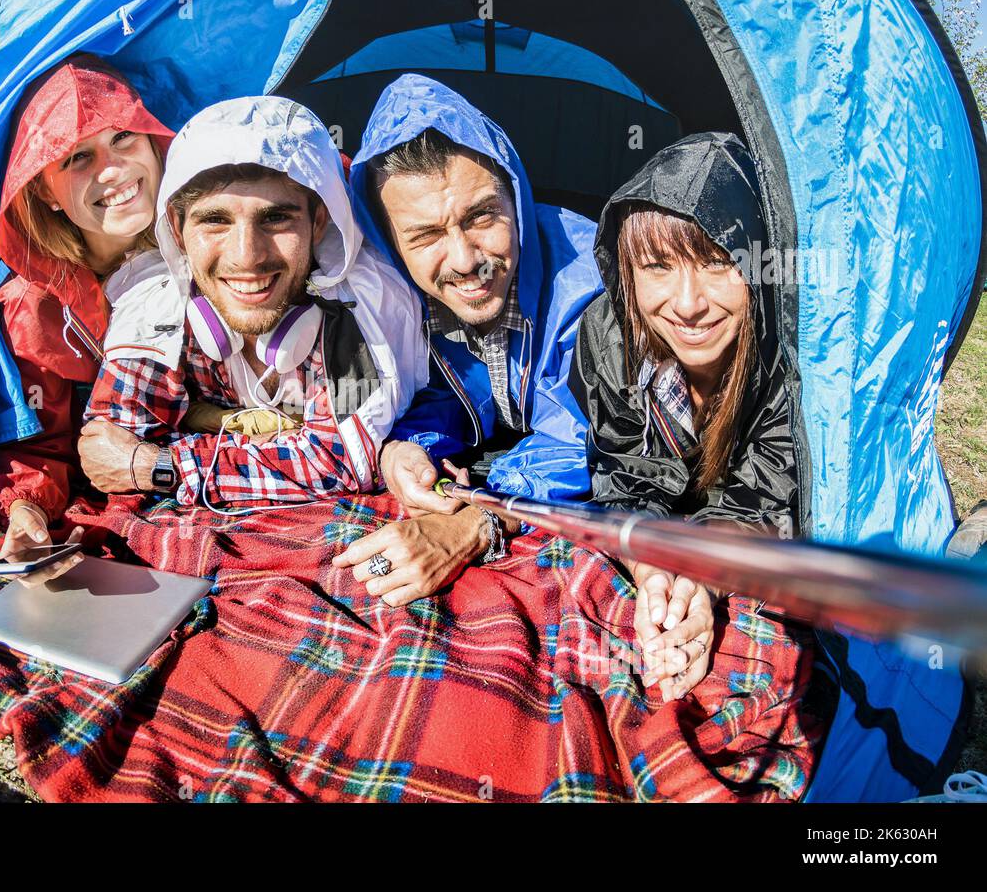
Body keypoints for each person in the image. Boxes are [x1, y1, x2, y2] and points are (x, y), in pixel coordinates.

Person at [76, 96, 428, 505]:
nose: (247, 257)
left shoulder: (361, 302)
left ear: (319, 221)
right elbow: (109, 444)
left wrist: (161, 463)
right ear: (176, 226)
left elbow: (338, 462)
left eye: (275, 219)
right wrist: (278, 436)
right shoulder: (155, 302)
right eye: (215, 221)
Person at [333, 74, 602, 605]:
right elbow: (444, 388)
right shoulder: (399, 297)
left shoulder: (590, 281)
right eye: (426, 236)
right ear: (392, 245)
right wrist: (409, 446)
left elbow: (590, 433)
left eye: (482, 217)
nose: (464, 260)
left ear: (516, 197)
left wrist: (481, 517)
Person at [570, 131, 798, 701]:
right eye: (657, 266)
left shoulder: (791, 360)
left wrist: (702, 574)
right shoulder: (608, 336)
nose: (689, 303)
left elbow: (767, 494)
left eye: (718, 263)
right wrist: (651, 568)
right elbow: (625, 473)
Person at [0, 55, 173, 575]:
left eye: (123, 138)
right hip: (133, 477)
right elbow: (38, 441)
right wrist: (26, 511)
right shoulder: (38, 304)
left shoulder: (205, 228)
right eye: (76, 159)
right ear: (43, 190)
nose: (112, 170)